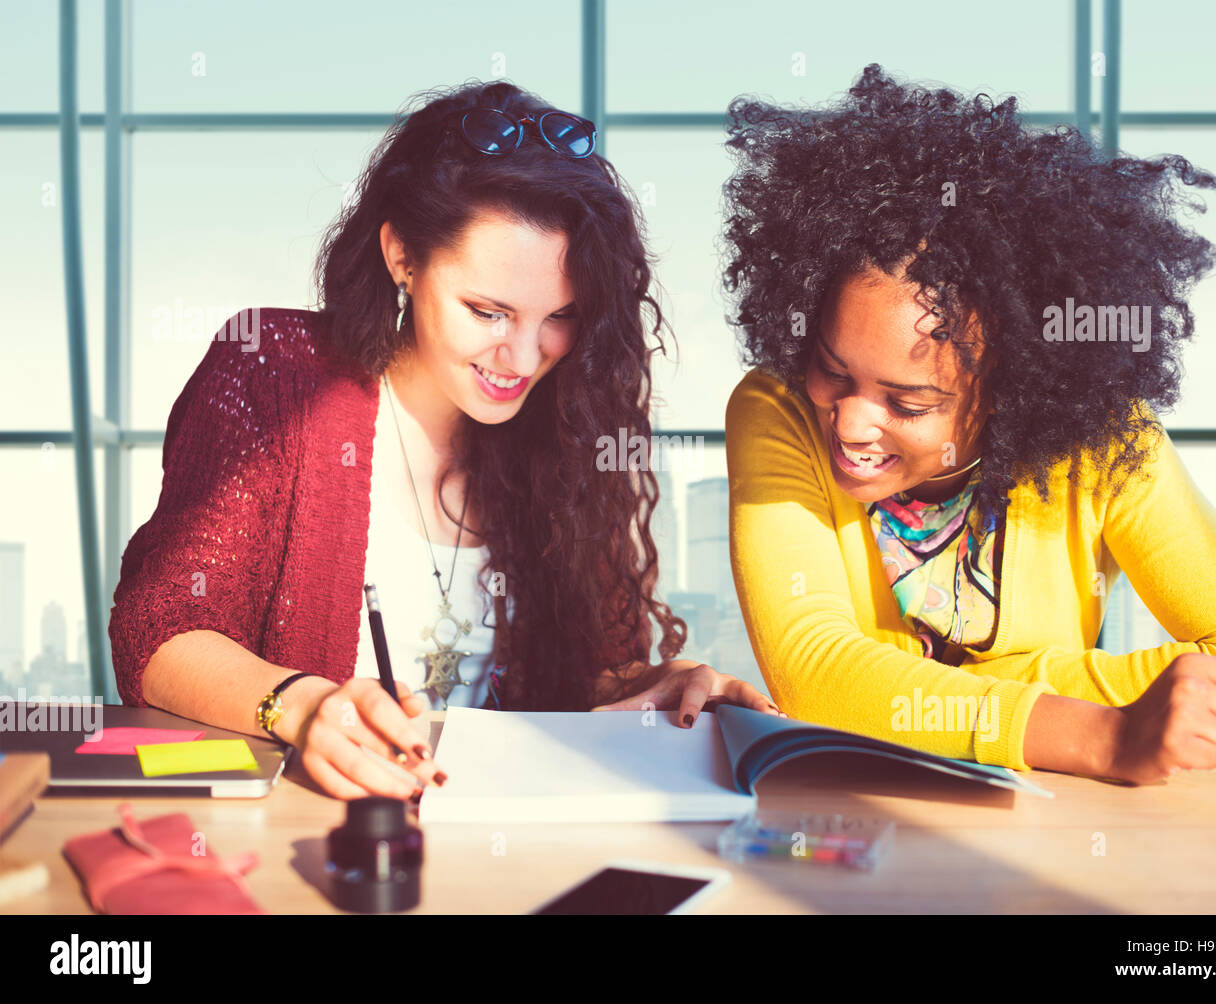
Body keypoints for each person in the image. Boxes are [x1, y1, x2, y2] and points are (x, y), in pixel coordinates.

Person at [110, 80, 777, 802]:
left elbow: (580, 679)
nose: (523, 359)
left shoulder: (571, 424)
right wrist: (304, 707)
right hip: (318, 840)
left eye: (560, 316)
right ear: (402, 257)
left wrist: (650, 687)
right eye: (488, 311)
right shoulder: (276, 373)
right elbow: (162, 627)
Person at [721, 64, 1216, 785]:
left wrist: (925, 685)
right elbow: (818, 677)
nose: (851, 424)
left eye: (908, 404)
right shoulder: (777, 411)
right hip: (870, 820)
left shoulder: (1108, 444)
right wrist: (1098, 733)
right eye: (833, 371)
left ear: (1007, 388)